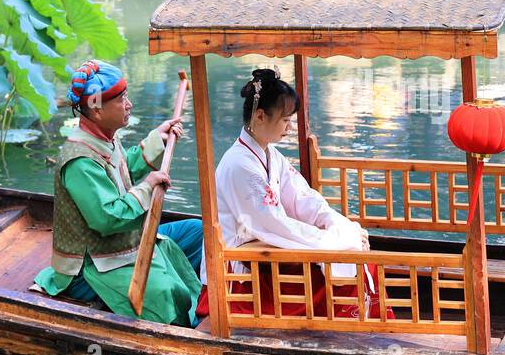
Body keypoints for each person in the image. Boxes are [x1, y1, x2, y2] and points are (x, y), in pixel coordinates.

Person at [33, 61, 203, 327]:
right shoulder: (79, 162)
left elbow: (122, 170)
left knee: (197, 232)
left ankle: (201, 301)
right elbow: (107, 218)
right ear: (97, 109)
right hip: (93, 264)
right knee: (165, 293)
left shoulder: (103, 138)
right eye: (121, 99)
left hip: (124, 242)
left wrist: (157, 140)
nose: (129, 104)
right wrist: (147, 187)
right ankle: (180, 331)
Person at [204, 68, 382, 320]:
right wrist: (333, 242)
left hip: (265, 245)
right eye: (285, 120)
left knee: (352, 252)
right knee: (342, 259)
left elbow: (303, 198)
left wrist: (338, 226)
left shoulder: (270, 155)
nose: (289, 127)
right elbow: (274, 223)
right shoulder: (239, 164)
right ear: (260, 116)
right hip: (243, 260)